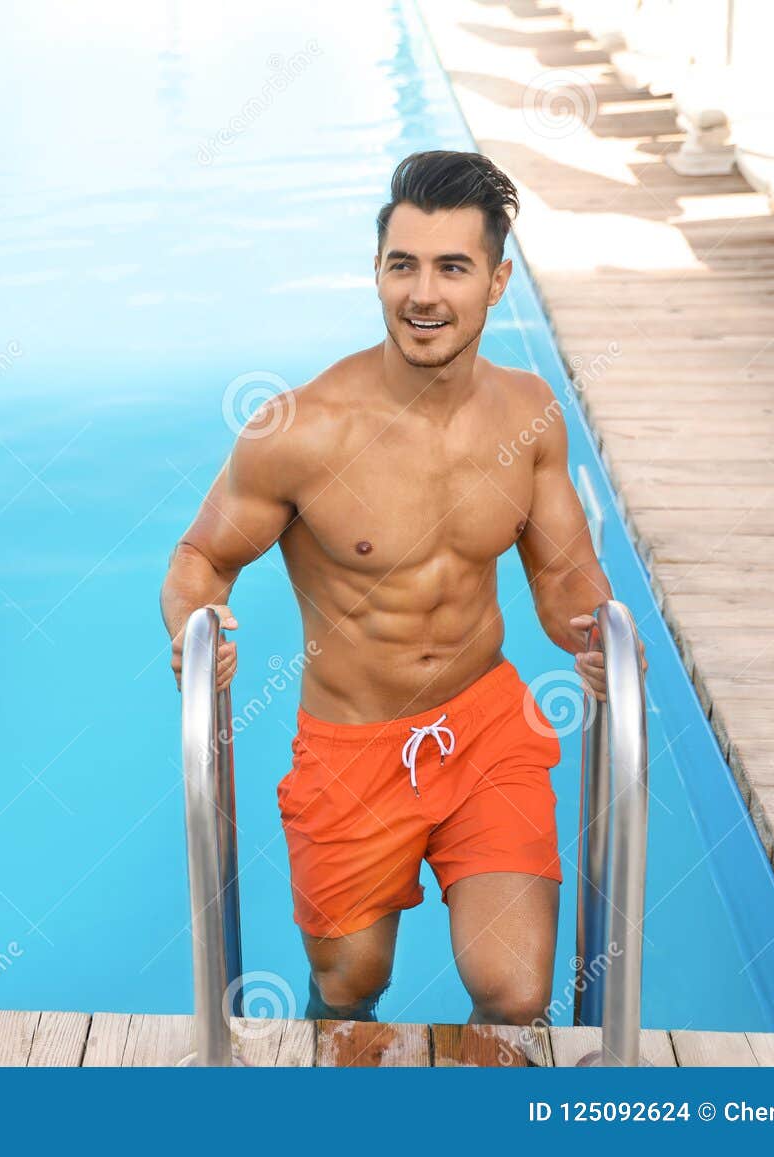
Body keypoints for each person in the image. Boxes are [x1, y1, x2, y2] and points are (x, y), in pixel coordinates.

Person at [159, 150, 644, 1025]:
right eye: (402, 265)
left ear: (497, 281)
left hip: (486, 728)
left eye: (452, 267)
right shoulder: (301, 430)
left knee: (516, 991)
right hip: (351, 747)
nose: (423, 294)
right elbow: (200, 556)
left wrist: (599, 633)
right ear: (377, 272)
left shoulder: (527, 414)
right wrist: (197, 630)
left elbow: (563, 573)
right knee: (352, 984)